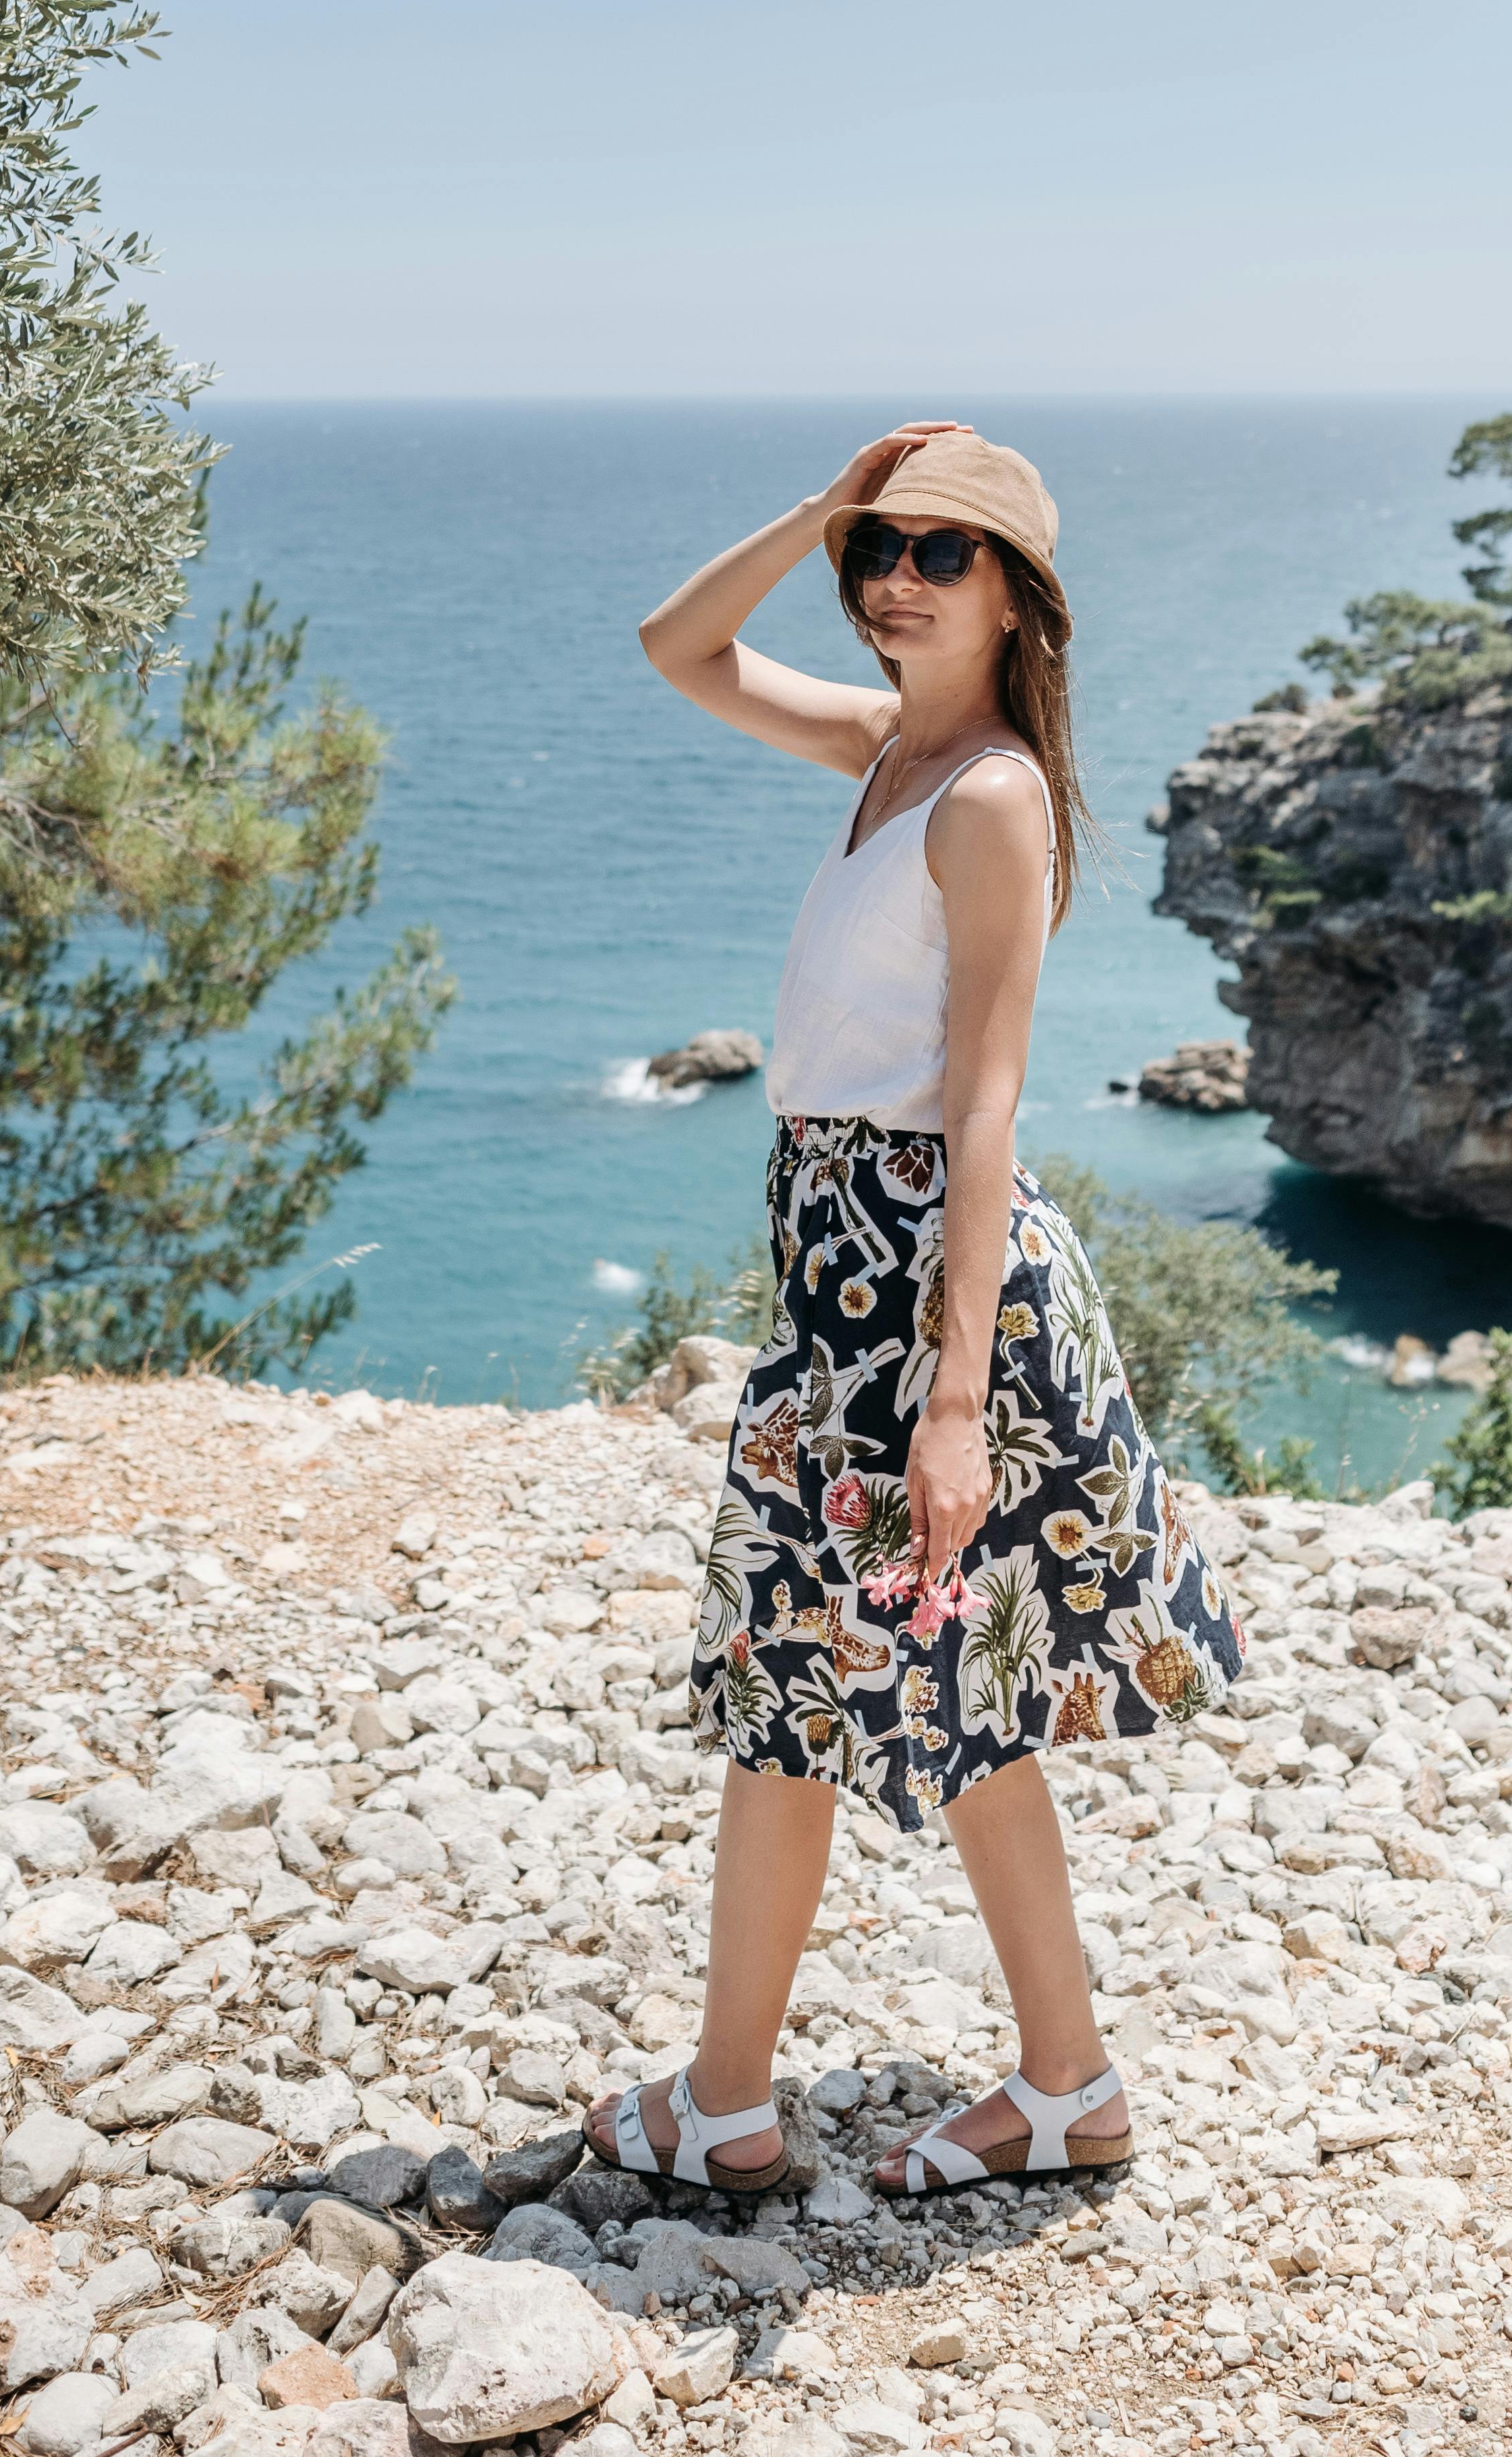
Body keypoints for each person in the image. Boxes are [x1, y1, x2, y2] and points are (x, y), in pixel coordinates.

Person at [587, 424, 1243, 2201]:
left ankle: (743, 2099)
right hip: (844, 1275)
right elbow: (679, 645)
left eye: (939, 552)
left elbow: (984, 1105)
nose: (894, 577)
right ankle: (1055, 2084)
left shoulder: (994, 797)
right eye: (877, 547)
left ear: (1017, 594)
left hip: (918, 1297)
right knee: (924, 1691)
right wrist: (815, 502)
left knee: (808, 1676)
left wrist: (952, 1401)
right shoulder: (889, 748)